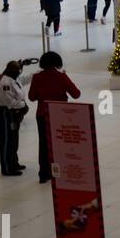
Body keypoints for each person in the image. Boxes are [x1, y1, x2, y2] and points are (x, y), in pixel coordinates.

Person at [28, 51, 81, 183]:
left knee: (43, 143)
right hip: (60, 115)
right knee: (60, 143)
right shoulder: (61, 76)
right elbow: (76, 94)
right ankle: (58, 170)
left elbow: (31, 97)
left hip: (42, 114)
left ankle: (43, 172)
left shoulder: (37, 77)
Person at [0, 60, 29, 176]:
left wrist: (36, 74)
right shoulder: (5, 83)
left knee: (14, 139)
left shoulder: (14, 79)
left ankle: (14, 162)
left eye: (19, 69)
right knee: (6, 141)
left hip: (13, 114)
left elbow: (23, 81)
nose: (18, 71)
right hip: (4, 114)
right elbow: (9, 102)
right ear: (9, 70)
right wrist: (23, 105)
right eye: (16, 69)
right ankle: (7, 168)